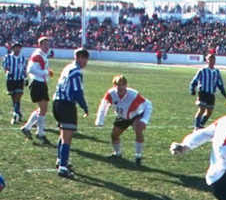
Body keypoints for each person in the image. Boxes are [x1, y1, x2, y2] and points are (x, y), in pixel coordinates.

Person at [95, 75, 153, 165]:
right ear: (114, 85)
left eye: (123, 85)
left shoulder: (133, 94)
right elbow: (104, 105)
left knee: (138, 131)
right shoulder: (111, 94)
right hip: (122, 116)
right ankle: (117, 153)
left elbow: (148, 104)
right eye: (118, 85)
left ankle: (138, 156)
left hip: (136, 115)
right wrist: (100, 120)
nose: (120, 87)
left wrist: (144, 120)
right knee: (114, 135)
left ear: (126, 85)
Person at [51, 48, 90, 178]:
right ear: (79, 58)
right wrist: (84, 106)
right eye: (85, 59)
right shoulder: (76, 71)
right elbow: (77, 91)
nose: (86, 62)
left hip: (57, 102)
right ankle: (63, 167)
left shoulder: (68, 67)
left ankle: (60, 160)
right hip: (66, 105)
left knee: (63, 133)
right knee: (67, 136)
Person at [20, 36, 53, 144]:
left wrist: (46, 72)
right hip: (37, 83)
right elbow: (30, 69)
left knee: (42, 108)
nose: (47, 47)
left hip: (41, 83)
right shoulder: (37, 55)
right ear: (40, 45)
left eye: (48, 44)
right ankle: (40, 132)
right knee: (43, 109)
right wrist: (46, 73)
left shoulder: (42, 55)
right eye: (45, 45)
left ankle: (27, 127)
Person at [189, 52, 226, 130]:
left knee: (209, 112)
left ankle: (201, 124)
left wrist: (224, 93)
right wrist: (192, 89)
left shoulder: (216, 72)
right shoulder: (202, 70)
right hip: (203, 93)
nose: (212, 61)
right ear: (207, 60)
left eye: (213, 60)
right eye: (210, 60)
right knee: (202, 109)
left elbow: (220, 84)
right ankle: (196, 126)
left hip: (211, 94)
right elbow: (194, 80)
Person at [1, 42, 29, 124]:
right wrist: (7, 72)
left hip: (19, 79)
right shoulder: (8, 57)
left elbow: (24, 69)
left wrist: (26, 78)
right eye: (16, 47)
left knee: (18, 95)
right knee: (14, 97)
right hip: (11, 79)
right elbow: (5, 67)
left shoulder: (23, 58)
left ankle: (15, 113)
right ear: (13, 48)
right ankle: (17, 111)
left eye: (19, 48)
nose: (18, 49)